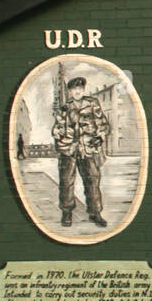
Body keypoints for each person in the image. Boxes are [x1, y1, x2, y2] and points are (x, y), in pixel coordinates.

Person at [53, 76, 110, 227]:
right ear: (70, 91)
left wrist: (100, 137)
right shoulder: (64, 107)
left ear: (83, 90)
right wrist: (61, 141)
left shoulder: (92, 103)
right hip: (69, 150)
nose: (77, 91)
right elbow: (57, 129)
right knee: (66, 182)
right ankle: (66, 213)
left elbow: (102, 123)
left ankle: (95, 212)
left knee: (92, 180)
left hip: (88, 148)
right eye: (74, 89)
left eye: (80, 89)